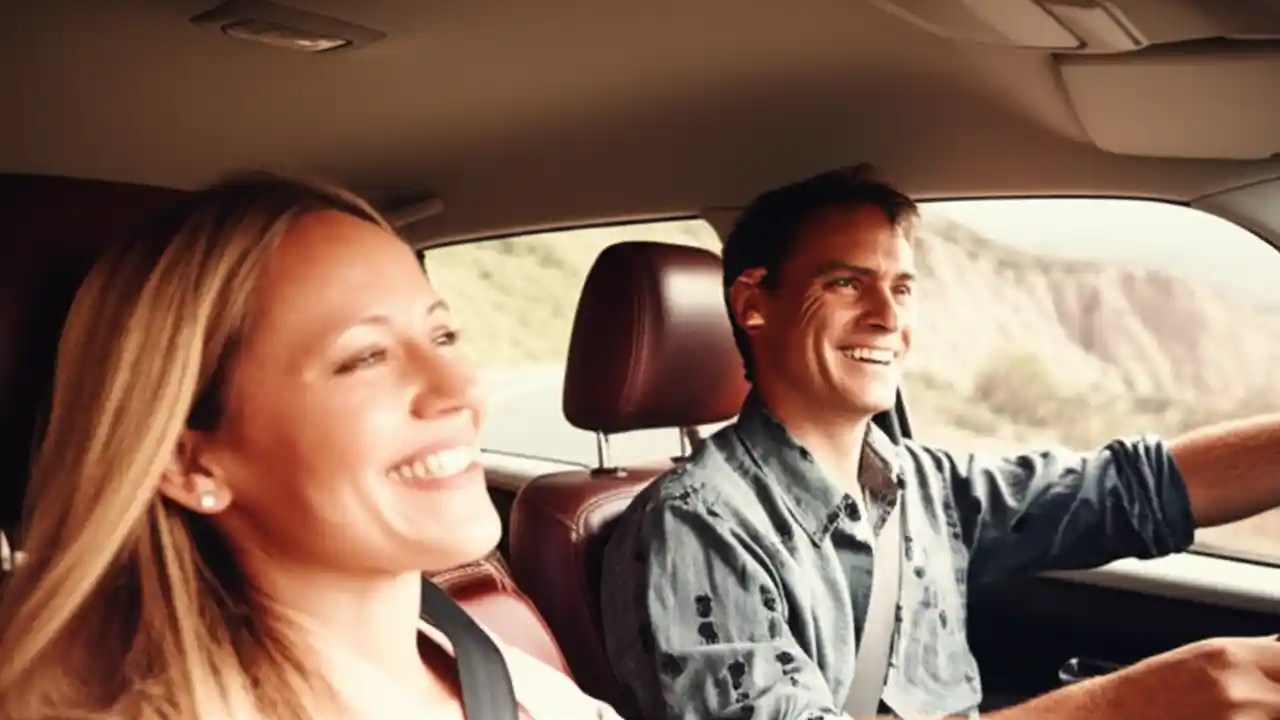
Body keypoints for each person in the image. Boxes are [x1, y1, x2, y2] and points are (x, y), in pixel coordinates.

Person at [599, 166, 1280, 720]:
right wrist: (1124, 704)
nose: (889, 316)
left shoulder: (922, 484)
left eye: (902, 287)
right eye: (845, 282)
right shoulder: (695, 527)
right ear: (753, 304)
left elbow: (1127, 492)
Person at [0, 173, 621, 720]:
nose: (460, 390)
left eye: (444, 333)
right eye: (364, 357)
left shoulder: (495, 669)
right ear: (189, 463)